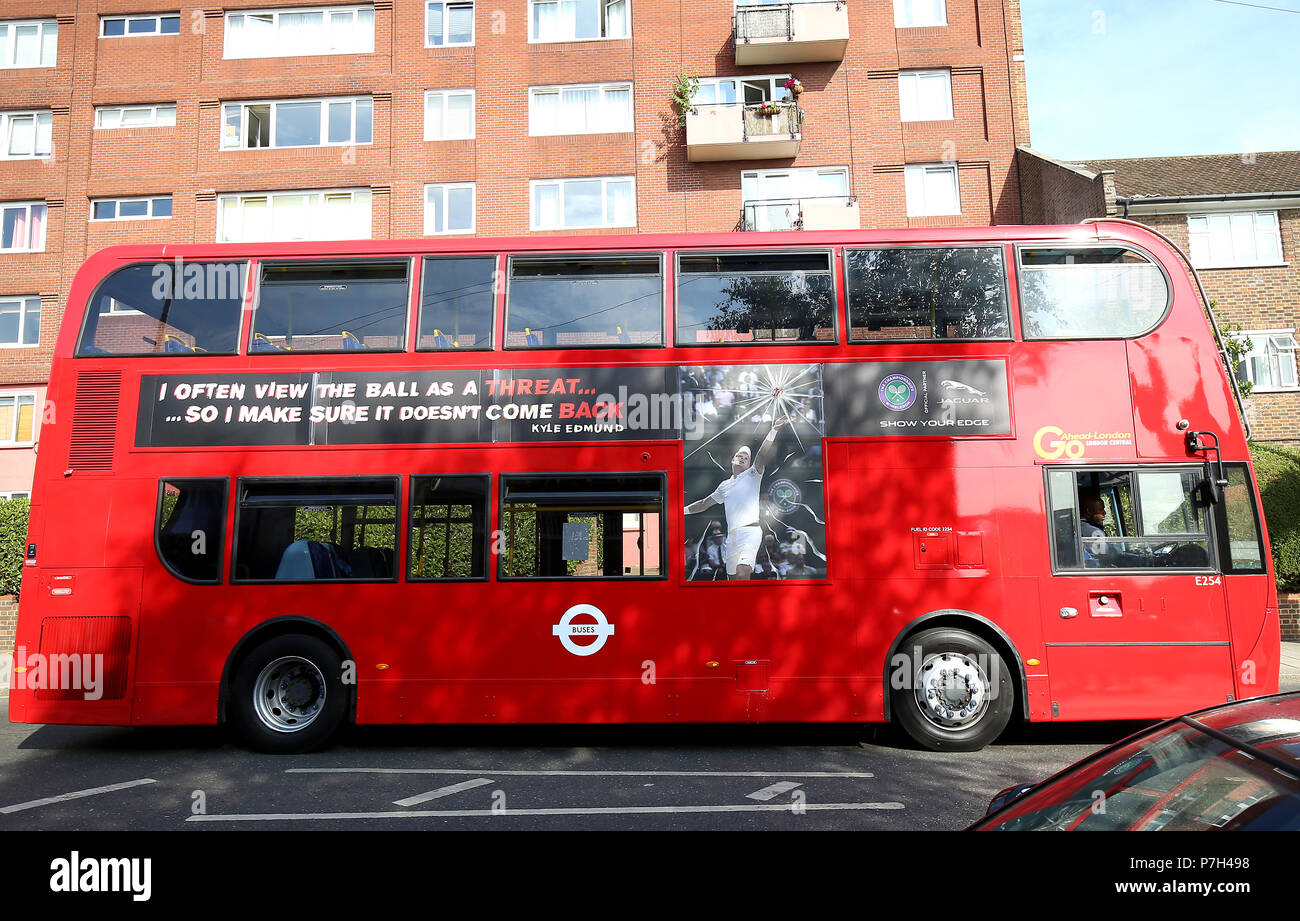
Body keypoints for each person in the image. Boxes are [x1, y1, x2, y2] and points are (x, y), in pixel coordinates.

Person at [684, 416, 789, 579]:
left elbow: (762, 453)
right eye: (740, 455)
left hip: (751, 532)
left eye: (746, 457)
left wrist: (774, 429)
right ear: (733, 459)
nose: (742, 457)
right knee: (733, 580)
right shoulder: (724, 485)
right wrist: (681, 511)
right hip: (732, 536)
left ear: (749, 465)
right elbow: (704, 504)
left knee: (742, 571)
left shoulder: (753, 474)